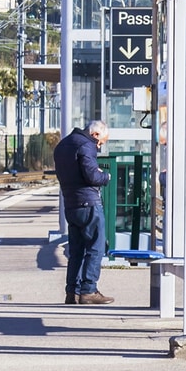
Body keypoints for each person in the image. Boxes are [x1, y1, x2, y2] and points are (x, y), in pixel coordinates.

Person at [54, 119, 112, 306]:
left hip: (70, 204)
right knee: (96, 248)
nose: (99, 147)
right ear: (95, 134)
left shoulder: (63, 145)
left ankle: (72, 292)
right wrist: (106, 176)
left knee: (76, 250)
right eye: (100, 143)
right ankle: (89, 290)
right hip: (89, 204)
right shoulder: (86, 146)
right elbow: (92, 176)